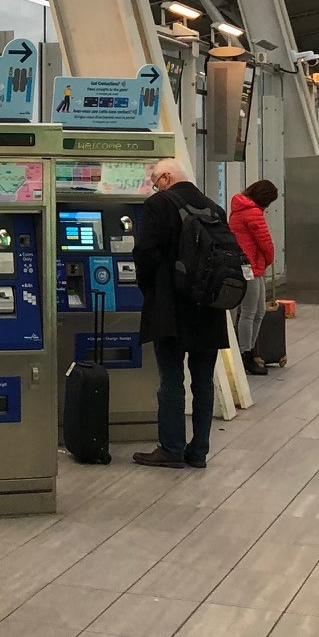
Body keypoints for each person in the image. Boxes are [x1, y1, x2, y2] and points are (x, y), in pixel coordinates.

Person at [133, 158, 230, 470]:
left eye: (154, 180)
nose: (154, 185)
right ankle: (199, 450)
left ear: (165, 177)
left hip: (171, 308)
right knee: (202, 381)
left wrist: (151, 289)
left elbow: (145, 252)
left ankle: (171, 448)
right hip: (210, 308)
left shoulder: (158, 205)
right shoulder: (215, 208)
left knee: (171, 379)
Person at [229, 180, 278, 377]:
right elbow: (265, 243)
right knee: (251, 313)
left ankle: (247, 351)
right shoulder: (252, 213)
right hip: (249, 267)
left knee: (256, 312)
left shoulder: (239, 208)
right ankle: (246, 354)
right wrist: (269, 260)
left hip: (250, 266)